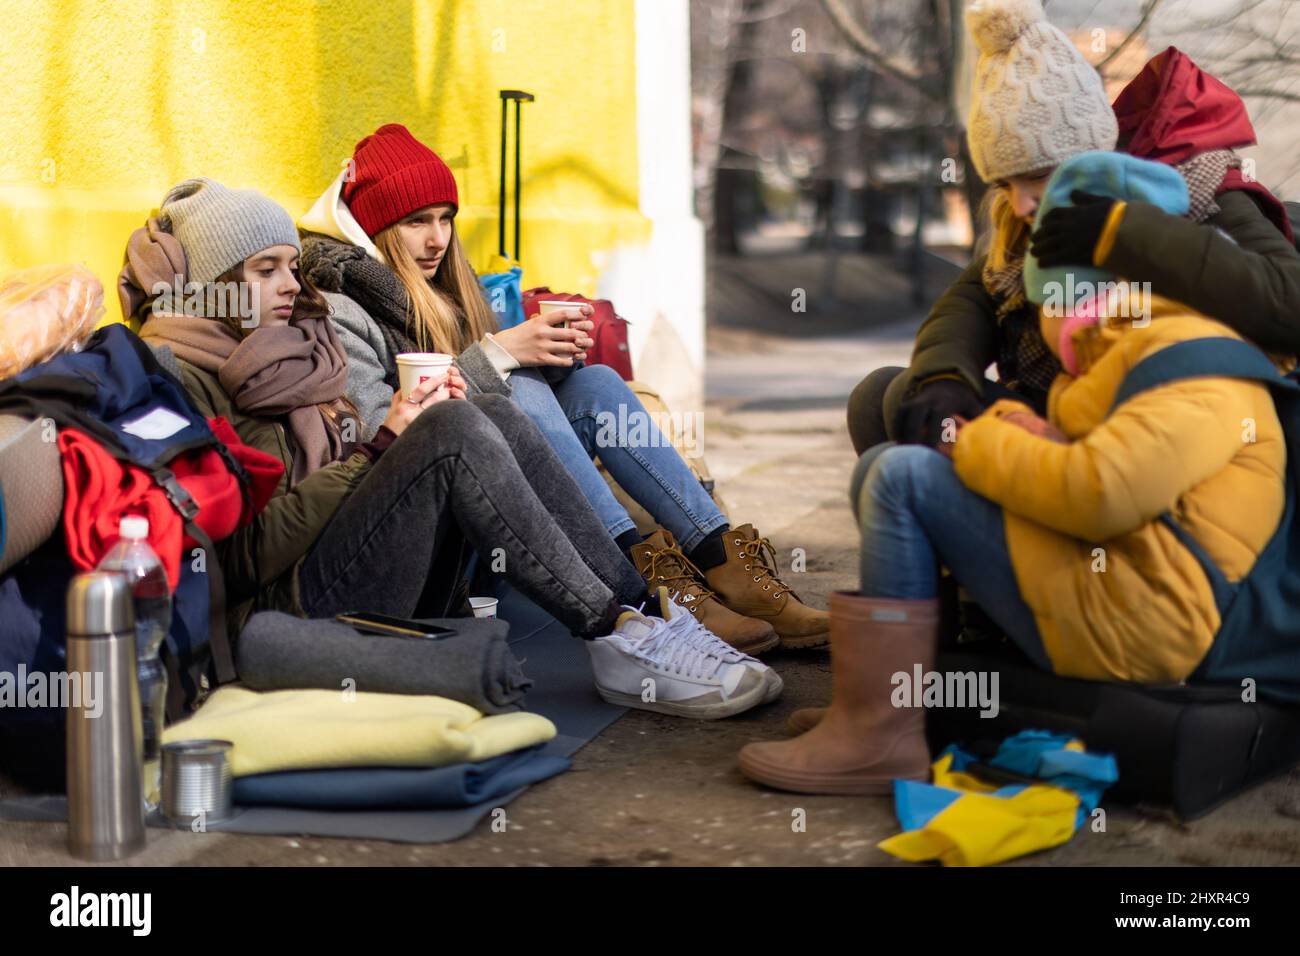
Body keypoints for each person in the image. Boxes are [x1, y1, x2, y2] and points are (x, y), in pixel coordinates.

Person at [123, 177, 782, 720]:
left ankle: (642, 616)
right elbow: (238, 561)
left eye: (292, 266)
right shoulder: (178, 373)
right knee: (453, 428)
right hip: (284, 613)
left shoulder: (294, 345)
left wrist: (387, 441)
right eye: (266, 271)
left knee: (487, 408)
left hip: (357, 566)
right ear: (214, 285)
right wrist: (382, 445)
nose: (294, 286)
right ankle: (614, 634)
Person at [738, 149, 1289, 793]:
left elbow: (1099, 490)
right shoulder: (1130, 345)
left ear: (1083, 295)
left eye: (1043, 300)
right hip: (1122, 576)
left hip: (1152, 620)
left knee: (901, 479)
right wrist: (1013, 430)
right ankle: (885, 712)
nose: (1035, 319)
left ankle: (878, 731)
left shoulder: (1192, 360)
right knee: (893, 466)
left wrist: (970, 446)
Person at [297, 123, 830, 652]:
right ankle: (644, 584)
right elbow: (383, 440)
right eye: (416, 222)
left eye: (445, 220)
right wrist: (503, 356)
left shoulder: (444, 288)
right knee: (521, 387)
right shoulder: (344, 309)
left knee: (596, 383)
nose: (437, 238)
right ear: (377, 228)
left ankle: (724, 562)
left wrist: (556, 352)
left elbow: (499, 382)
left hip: (498, 479)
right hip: (431, 515)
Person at [847, 0, 1300, 457]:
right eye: (1006, 183)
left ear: (1092, 158)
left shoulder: (1201, 187)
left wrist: (1121, 234)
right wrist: (945, 377)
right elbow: (965, 308)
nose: (1022, 202)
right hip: (1060, 412)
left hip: (1174, 423)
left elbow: (1289, 304)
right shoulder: (1022, 223)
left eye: (1040, 177)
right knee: (890, 395)